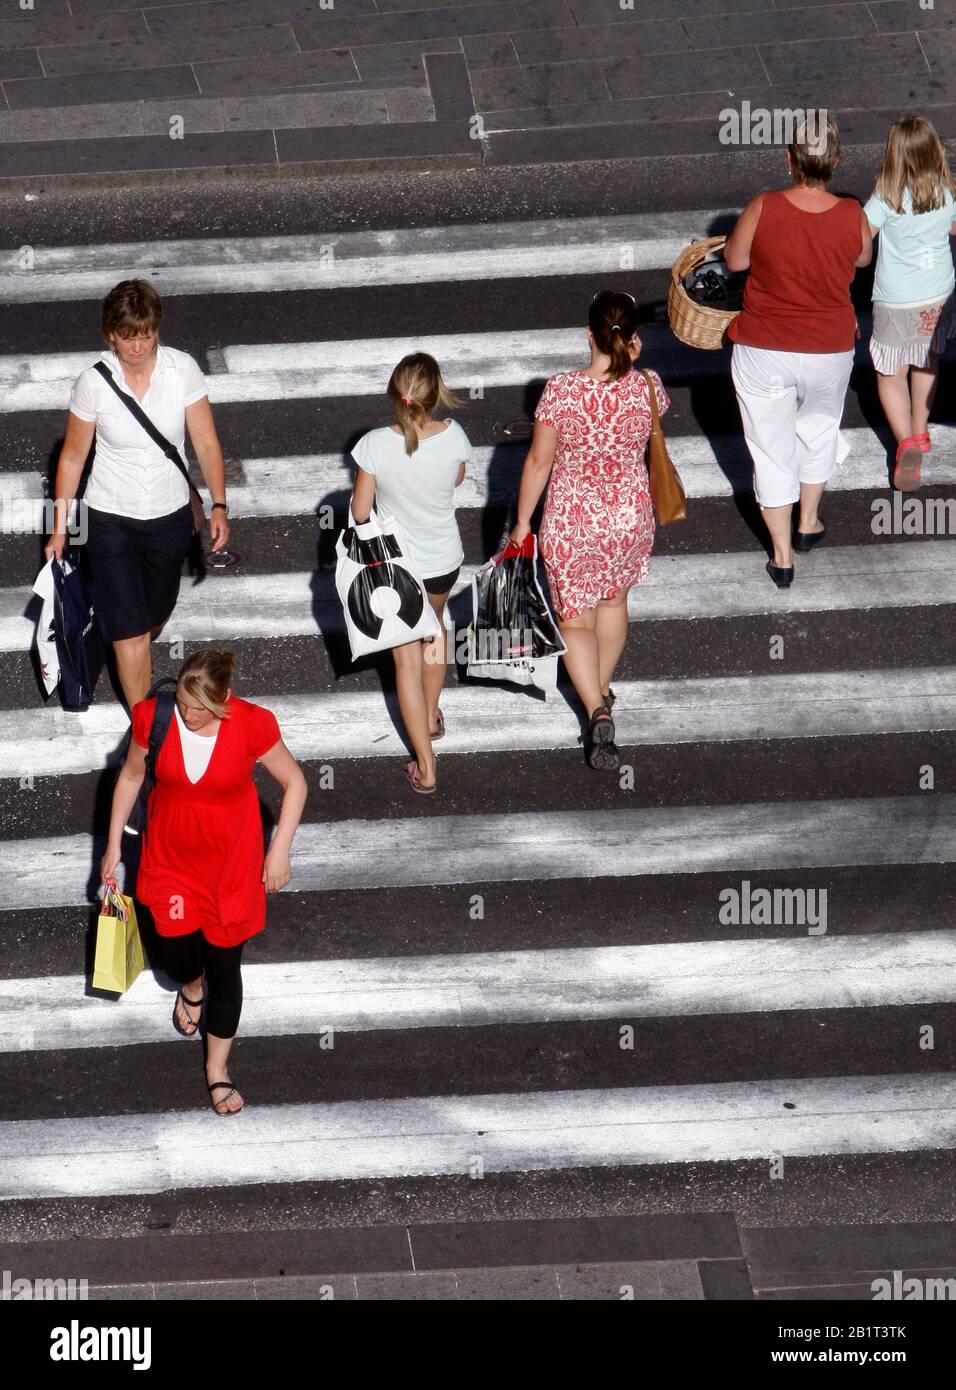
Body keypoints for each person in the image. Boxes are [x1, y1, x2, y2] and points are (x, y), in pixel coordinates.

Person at [101, 650, 307, 1115]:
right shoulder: (154, 716)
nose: (189, 716)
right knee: (176, 954)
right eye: (184, 704)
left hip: (231, 869)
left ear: (225, 698)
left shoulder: (253, 723)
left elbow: (295, 783)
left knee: (225, 967)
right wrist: (113, 845)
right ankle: (190, 988)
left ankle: (217, 1069)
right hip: (170, 862)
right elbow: (132, 775)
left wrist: (279, 850)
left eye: (201, 708)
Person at [44, 279, 230, 709]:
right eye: (128, 336)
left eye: (145, 335)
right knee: (129, 634)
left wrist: (219, 503)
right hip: (110, 520)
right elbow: (72, 459)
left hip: (169, 518)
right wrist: (58, 531)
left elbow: (205, 442)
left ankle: (134, 638)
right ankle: (145, 730)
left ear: (156, 330)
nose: (137, 346)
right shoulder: (93, 383)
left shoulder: (182, 370)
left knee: (154, 616)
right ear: (111, 334)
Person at [509, 290, 663, 772]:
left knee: (575, 620)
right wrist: (633, 366)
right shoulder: (648, 387)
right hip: (627, 517)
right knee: (614, 602)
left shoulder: (559, 391)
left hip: (572, 520)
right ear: (632, 338)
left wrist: (521, 522)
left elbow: (539, 460)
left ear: (588, 334)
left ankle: (594, 705)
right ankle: (600, 694)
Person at [724, 114, 872, 588]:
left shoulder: (764, 206)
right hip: (829, 347)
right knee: (819, 429)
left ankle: (783, 555)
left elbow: (736, 260)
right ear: (836, 161)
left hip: (765, 346)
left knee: (770, 450)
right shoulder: (852, 214)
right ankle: (808, 522)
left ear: (789, 160)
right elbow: (863, 257)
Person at [350, 352, 470, 795]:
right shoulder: (454, 437)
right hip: (444, 562)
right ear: (436, 394)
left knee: (404, 658)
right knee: (435, 632)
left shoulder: (374, 446)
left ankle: (426, 763)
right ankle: (433, 712)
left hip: (398, 567)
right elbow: (456, 480)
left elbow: (361, 511)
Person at [864, 115, 956, 491]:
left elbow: (859, 238)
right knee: (928, 358)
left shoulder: (885, 197)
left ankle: (904, 442)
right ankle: (920, 430)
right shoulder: (946, 192)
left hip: (896, 299)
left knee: (890, 373)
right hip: (938, 293)